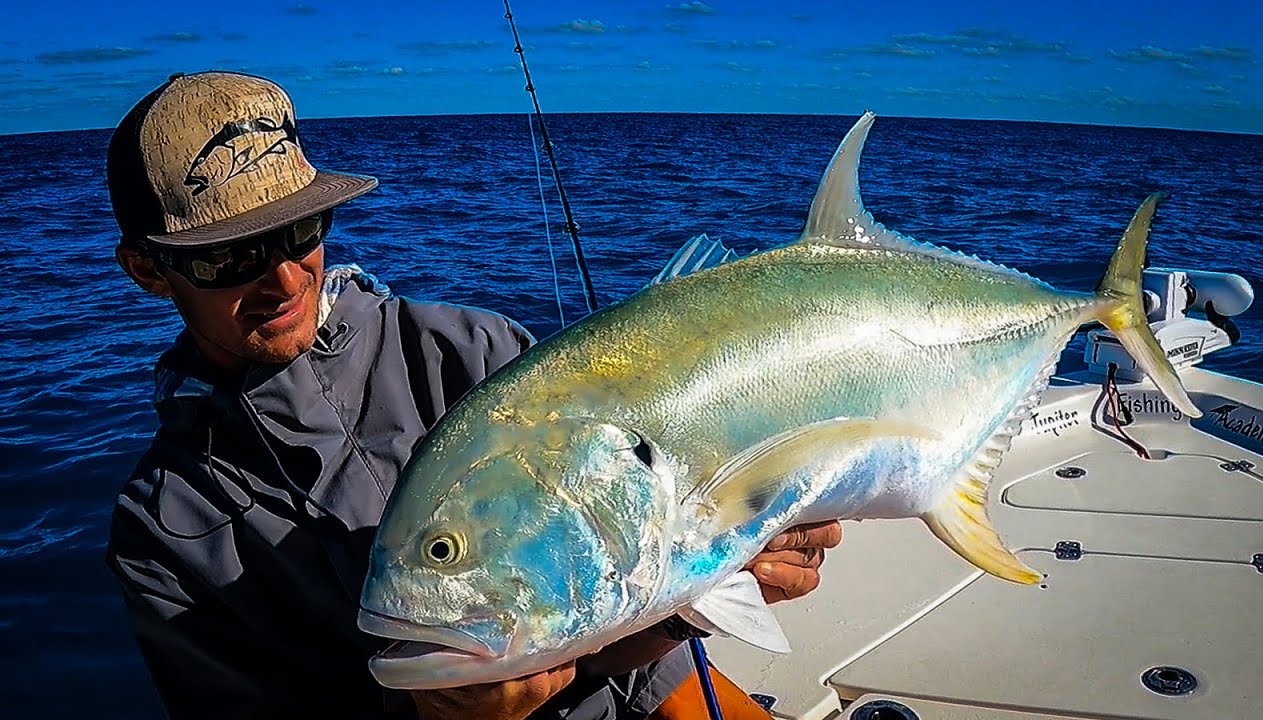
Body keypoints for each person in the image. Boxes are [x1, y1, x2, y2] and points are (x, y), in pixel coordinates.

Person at [104, 70, 843, 720]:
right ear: (146, 268)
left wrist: (701, 591)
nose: (286, 278)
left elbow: (602, 645)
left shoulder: (475, 354)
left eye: (300, 229)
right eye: (231, 255)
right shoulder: (165, 528)